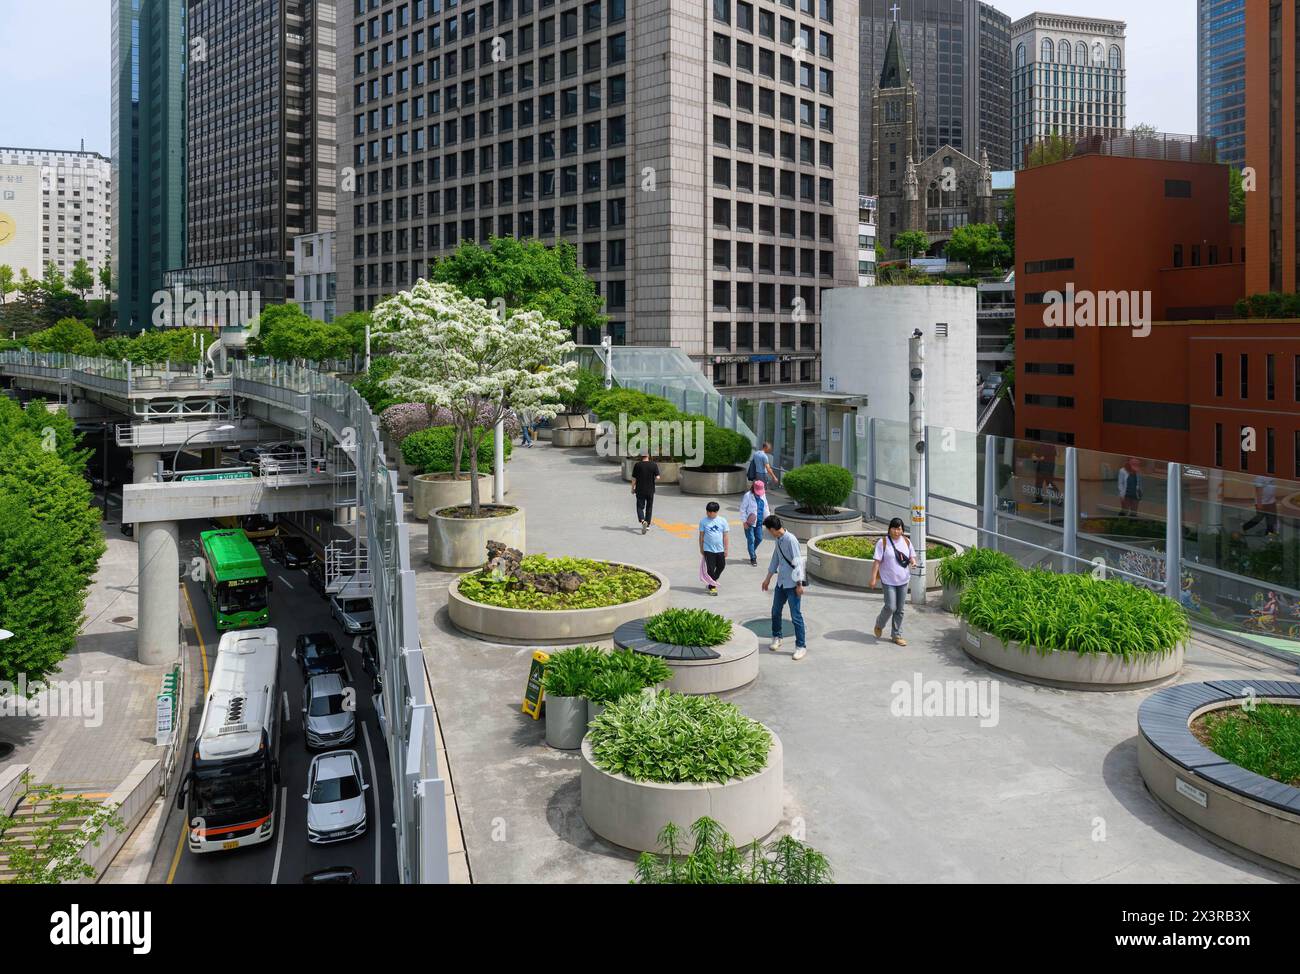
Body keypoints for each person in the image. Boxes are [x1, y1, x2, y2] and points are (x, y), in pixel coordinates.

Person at [761, 515, 807, 661]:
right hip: (781, 582)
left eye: (768, 530)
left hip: (793, 584)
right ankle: (777, 637)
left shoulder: (790, 540)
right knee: (775, 611)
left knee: (796, 616)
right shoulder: (778, 539)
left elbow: (798, 563)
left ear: (772, 529)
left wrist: (799, 585)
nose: (768, 533)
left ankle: (801, 646)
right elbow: (775, 559)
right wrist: (768, 578)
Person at [869, 518, 915, 646]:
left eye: (899, 529)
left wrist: (913, 562)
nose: (896, 531)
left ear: (902, 530)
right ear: (889, 529)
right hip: (888, 580)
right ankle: (879, 624)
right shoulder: (883, 542)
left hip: (903, 580)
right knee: (890, 607)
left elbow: (911, 556)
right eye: (894, 528)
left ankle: (896, 635)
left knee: (900, 609)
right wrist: (873, 578)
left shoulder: (906, 541)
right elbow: (877, 562)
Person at [698, 501, 730, 595]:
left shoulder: (722, 521)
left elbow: (725, 536)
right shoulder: (703, 521)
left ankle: (712, 581)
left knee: (721, 566)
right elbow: (701, 536)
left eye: (710, 512)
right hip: (708, 549)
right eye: (707, 511)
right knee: (710, 569)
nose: (708, 513)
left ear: (716, 512)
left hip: (720, 549)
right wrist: (701, 548)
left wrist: (726, 549)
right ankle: (712, 587)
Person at [739, 480, 768, 566]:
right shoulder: (748, 496)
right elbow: (742, 509)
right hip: (749, 522)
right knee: (751, 539)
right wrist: (744, 522)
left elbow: (765, 507)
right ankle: (753, 557)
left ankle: (751, 550)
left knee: (759, 538)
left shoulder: (763, 495)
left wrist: (767, 519)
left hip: (759, 521)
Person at [630, 450, 659, 534]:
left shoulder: (637, 465)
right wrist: (652, 480)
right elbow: (658, 477)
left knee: (640, 507)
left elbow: (634, 478)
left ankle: (643, 521)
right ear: (648, 455)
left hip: (640, 489)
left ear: (641, 456)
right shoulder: (653, 465)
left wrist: (632, 488)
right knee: (649, 507)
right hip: (650, 490)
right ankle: (648, 524)